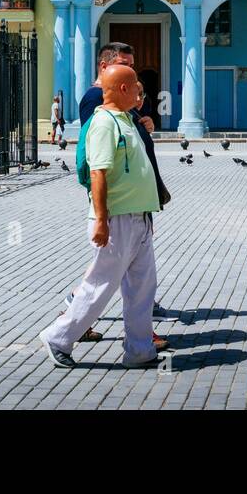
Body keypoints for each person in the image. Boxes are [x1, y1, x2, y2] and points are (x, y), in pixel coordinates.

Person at [39, 65, 161, 369]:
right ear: (122, 89)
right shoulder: (104, 123)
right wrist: (102, 220)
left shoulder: (127, 120)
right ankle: (58, 338)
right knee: (100, 285)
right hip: (117, 219)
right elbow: (98, 173)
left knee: (143, 286)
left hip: (138, 218)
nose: (140, 93)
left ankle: (140, 349)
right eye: (135, 88)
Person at [72, 42, 171, 342]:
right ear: (106, 69)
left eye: (132, 65)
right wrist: (101, 215)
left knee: (126, 273)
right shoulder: (97, 100)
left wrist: (145, 123)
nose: (132, 73)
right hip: (119, 204)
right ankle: (69, 323)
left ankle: (140, 339)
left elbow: (129, 136)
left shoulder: (125, 106)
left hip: (135, 203)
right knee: (107, 274)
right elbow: (99, 159)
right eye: (125, 66)